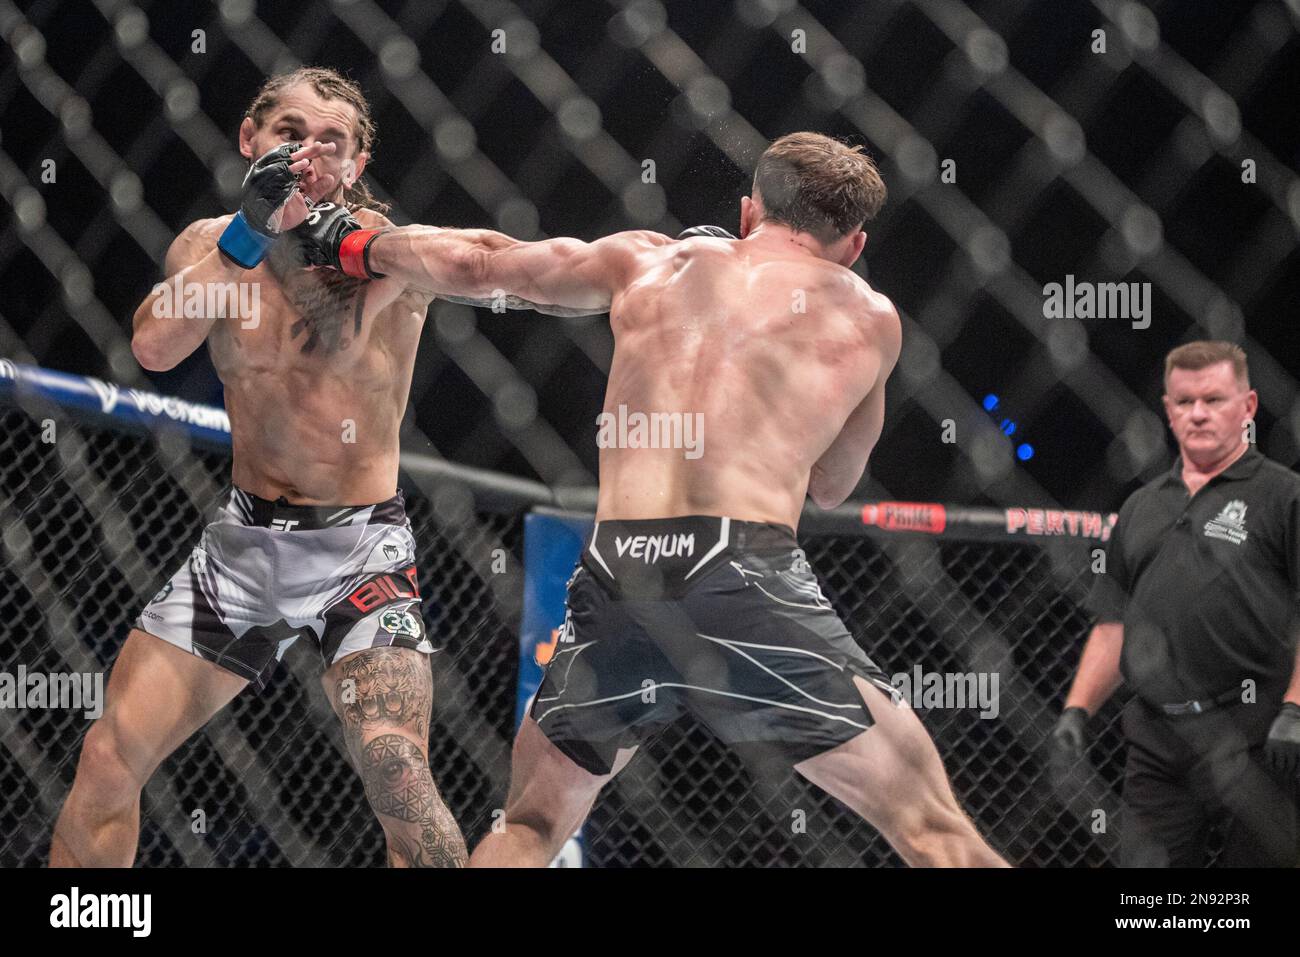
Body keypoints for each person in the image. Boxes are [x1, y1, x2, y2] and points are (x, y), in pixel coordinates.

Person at [294, 131, 1009, 867]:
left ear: (746, 210)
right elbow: (831, 484)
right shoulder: (872, 318)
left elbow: (481, 264)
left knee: (532, 823)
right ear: (854, 244)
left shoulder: (650, 259)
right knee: (931, 826)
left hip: (618, 570)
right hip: (744, 573)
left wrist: (351, 241)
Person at [50, 67, 468, 867]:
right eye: (289, 134)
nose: (309, 154)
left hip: (358, 552)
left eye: (332, 142)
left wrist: (646, 268)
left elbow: (496, 262)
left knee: (398, 774)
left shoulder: (389, 258)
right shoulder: (212, 246)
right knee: (108, 758)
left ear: (358, 161)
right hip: (241, 545)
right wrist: (249, 232)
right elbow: (152, 346)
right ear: (251, 141)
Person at [1054, 341, 1300, 867]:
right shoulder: (1141, 506)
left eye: (1214, 398)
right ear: (1167, 410)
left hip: (1255, 731)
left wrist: (1296, 709)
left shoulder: (1285, 496)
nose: (1199, 413)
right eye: (1185, 402)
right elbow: (1114, 624)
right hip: (1157, 739)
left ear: (1249, 406)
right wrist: (1077, 709)